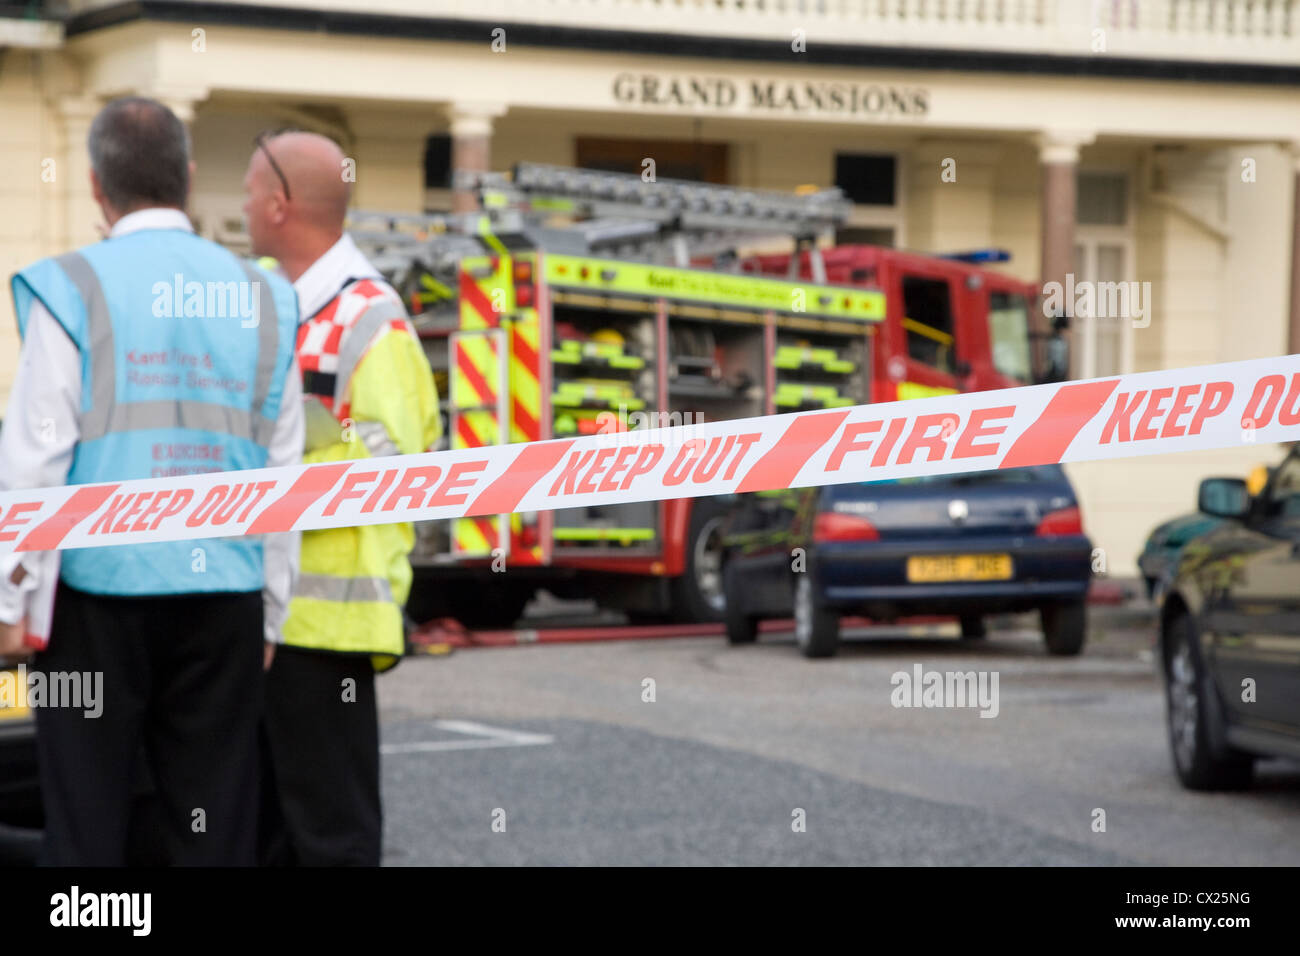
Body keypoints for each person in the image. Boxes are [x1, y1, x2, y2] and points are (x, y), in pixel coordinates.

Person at [0, 97, 303, 865]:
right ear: (190, 179)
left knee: (87, 814)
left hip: (94, 604)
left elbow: (35, 459)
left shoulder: (72, 288)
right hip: (223, 599)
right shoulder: (266, 297)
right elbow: (283, 471)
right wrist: (270, 612)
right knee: (212, 817)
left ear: (97, 184)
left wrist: (12, 600)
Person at [243, 130, 440, 865]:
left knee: (331, 839)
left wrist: (297, 449)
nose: (240, 208)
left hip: (328, 622)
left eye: (244, 193)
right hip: (262, 611)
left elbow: (402, 466)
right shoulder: (262, 298)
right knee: (268, 837)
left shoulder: (368, 317)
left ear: (279, 203)